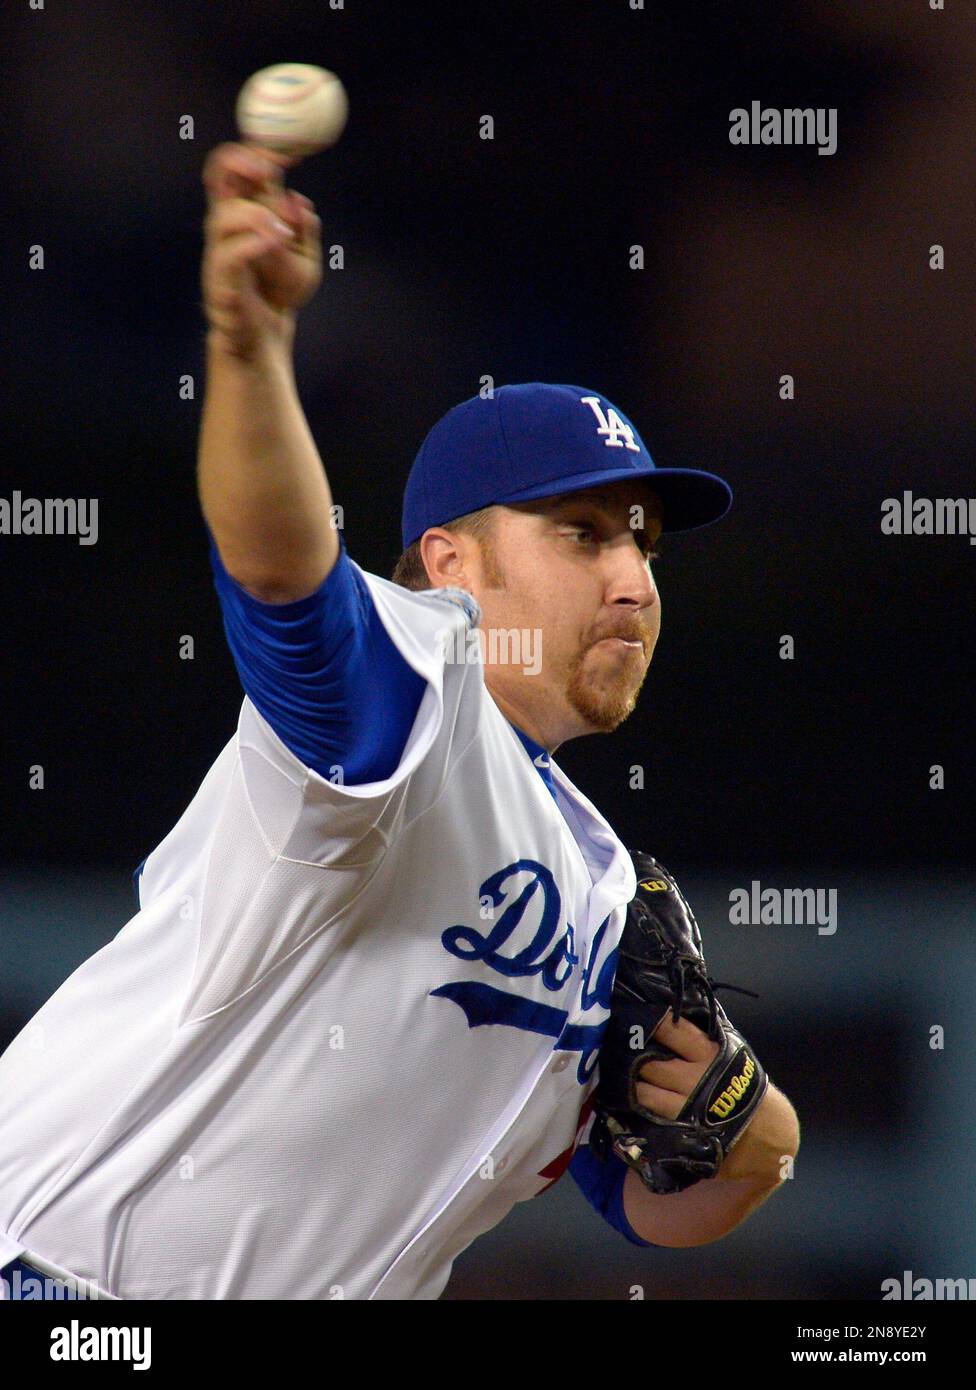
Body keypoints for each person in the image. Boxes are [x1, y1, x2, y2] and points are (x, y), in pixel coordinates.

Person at [0, 144, 799, 1301]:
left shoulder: (602, 884)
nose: (632, 579)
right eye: (582, 534)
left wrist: (760, 1132)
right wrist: (249, 348)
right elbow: (280, 573)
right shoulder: (419, 690)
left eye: (644, 542)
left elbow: (644, 1204)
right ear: (449, 563)